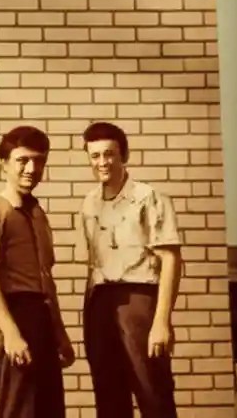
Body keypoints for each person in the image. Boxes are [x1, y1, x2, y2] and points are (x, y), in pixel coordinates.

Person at [77, 121, 182, 418]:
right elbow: (92, 266)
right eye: (95, 156)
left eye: (109, 154)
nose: (102, 162)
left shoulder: (149, 198)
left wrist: (162, 321)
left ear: (124, 155)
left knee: (153, 391)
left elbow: (171, 260)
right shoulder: (89, 203)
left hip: (139, 301)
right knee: (108, 394)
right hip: (100, 303)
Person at [0, 126, 75, 418]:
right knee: (21, 412)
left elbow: (46, 281)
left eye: (39, 161)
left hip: (40, 320)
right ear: (4, 163)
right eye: (23, 160)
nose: (32, 169)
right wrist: (11, 335)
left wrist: (60, 334)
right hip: (11, 318)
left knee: (50, 411)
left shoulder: (38, 215)